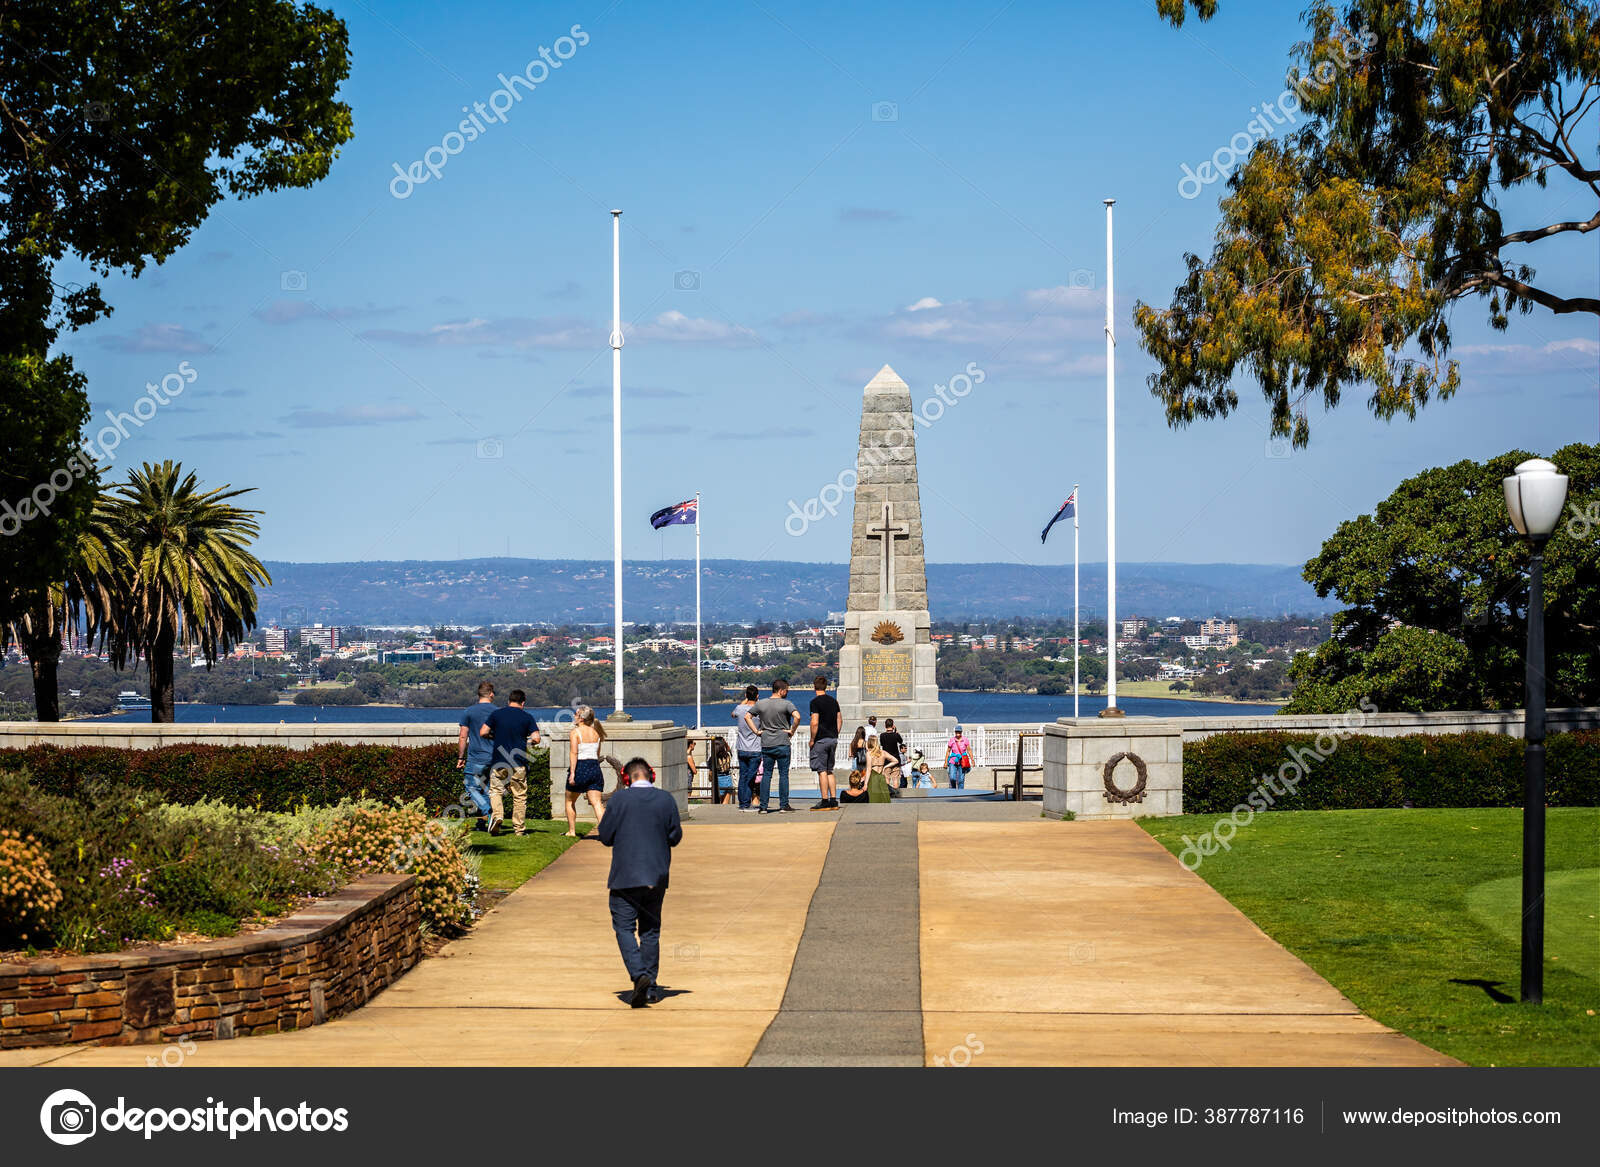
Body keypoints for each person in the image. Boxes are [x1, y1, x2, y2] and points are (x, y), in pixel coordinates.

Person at [597, 757, 683, 1007]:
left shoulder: (619, 800)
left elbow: (605, 836)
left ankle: (639, 974)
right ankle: (651, 988)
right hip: (656, 877)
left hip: (625, 877)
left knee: (624, 928)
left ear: (627, 778)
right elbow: (675, 837)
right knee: (650, 931)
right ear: (651, 776)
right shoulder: (666, 799)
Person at [480, 689, 541, 836]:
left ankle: (498, 816)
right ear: (523, 702)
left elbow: (482, 732)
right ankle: (519, 829)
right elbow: (537, 738)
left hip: (499, 761)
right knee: (519, 796)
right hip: (518, 762)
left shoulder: (497, 714)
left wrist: (493, 737)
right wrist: (528, 742)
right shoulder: (527, 717)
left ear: (509, 701)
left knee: (495, 791)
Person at [748, 679, 800, 813]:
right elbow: (797, 717)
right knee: (783, 774)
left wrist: (757, 731)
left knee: (767, 774)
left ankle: (763, 806)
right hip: (782, 742)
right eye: (786, 690)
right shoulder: (786, 704)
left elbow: (747, 716)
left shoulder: (762, 704)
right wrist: (792, 731)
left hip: (767, 743)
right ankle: (783, 805)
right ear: (781, 690)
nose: (787, 693)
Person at [456, 681, 497, 828]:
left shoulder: (469, 711)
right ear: (491, 694)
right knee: (485, 789)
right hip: (493, 757)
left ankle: (489, 812)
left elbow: (463, 736)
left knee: (471, 788)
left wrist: (461, 757)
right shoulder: (497, 711)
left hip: (476, 757)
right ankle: (483, 822)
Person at [564, 704, 608, 837]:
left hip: (581, 768)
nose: (574, 716)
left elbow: (573, 753)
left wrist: (572, 774)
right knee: (597, 803)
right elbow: (597, 755)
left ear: (581, 718)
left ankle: (572, 831)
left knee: (569, 801)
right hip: (594, 768)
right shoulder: (597, 733)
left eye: (576, 714)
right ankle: (605, 831)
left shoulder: (575, 732)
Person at [807, 674, 842, 810]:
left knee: (821, 770)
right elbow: (840, 719)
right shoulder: (834, 701)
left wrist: (812, 739)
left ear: (814, 687)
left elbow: (814, 722)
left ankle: (824, 800)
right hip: (832, 739)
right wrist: (835, 733)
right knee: (829, 770)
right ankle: (834, 800)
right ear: (826, 686)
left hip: (820, 740)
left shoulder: (815, 702)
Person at [732, 685, 762, 812]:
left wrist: (745, 700)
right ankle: (746, 803)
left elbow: (733, 714)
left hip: (742, 748)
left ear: (745, 696)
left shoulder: (739, 708)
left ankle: (742, 803)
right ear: (757, 696)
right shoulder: (759, 710)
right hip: (755, 748)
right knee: (751, 777)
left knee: (743, 775)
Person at [879, 718, 905, 789]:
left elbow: (882, 744)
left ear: (885, 725)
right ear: (893, 725)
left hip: (886, 760)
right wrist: (896, 731)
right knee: (895, 779)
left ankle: (888, 793)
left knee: (887, 778)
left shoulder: (882, 735)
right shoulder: (895, 735)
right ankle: (895, 793)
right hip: (896, 759)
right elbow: (901, 741)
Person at [945, 726, 974, 790]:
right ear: (955, 732)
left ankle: (961, 793)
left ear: (961, 732)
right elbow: (948, 751)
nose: (958, 733)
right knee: (952, 778)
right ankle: (953, 790)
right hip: (953, 761)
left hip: (962, 761)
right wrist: (945, 762)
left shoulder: (965, 740)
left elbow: (969, 750)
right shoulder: (952, 740)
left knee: (961, 780)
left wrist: (972, 760)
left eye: (959, 732)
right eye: (956, 732)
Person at [709, 735, 734, 804]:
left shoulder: (712, 759)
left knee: (716, 802)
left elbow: (711, 773)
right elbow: (729, 749)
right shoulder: (728, 755)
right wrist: (724, 742)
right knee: (725, 803)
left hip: (718, 781)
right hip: (728, 779)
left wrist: (710, 779)